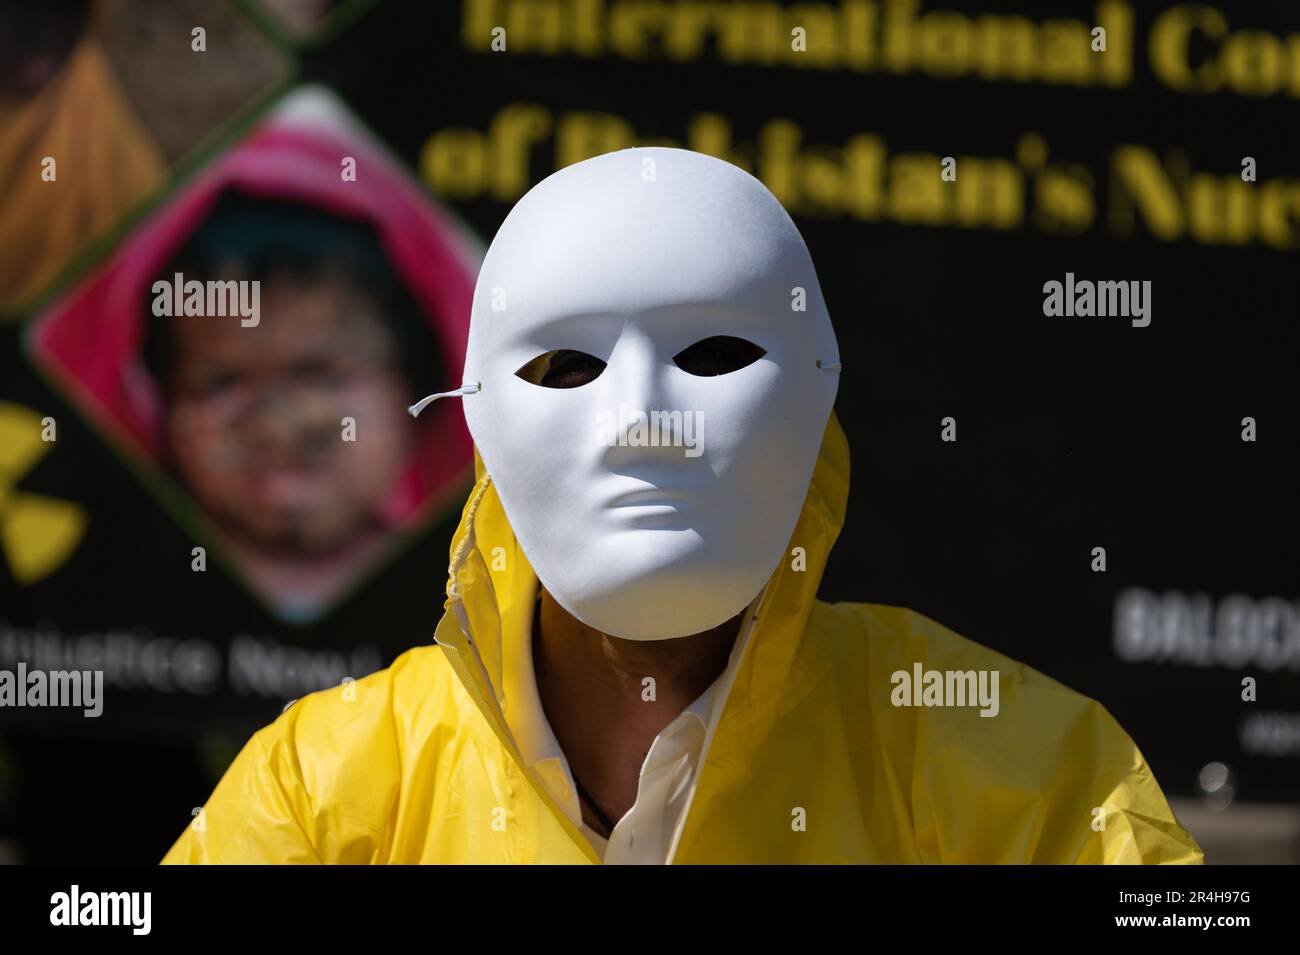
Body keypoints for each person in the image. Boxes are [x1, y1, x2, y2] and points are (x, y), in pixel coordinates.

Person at [161, 146, 1203, 864]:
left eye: (713, 353)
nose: (643, 418)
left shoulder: (1021, 774)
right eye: (566, 364)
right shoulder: (331, 790)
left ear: (818, 390)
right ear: (474, 414)